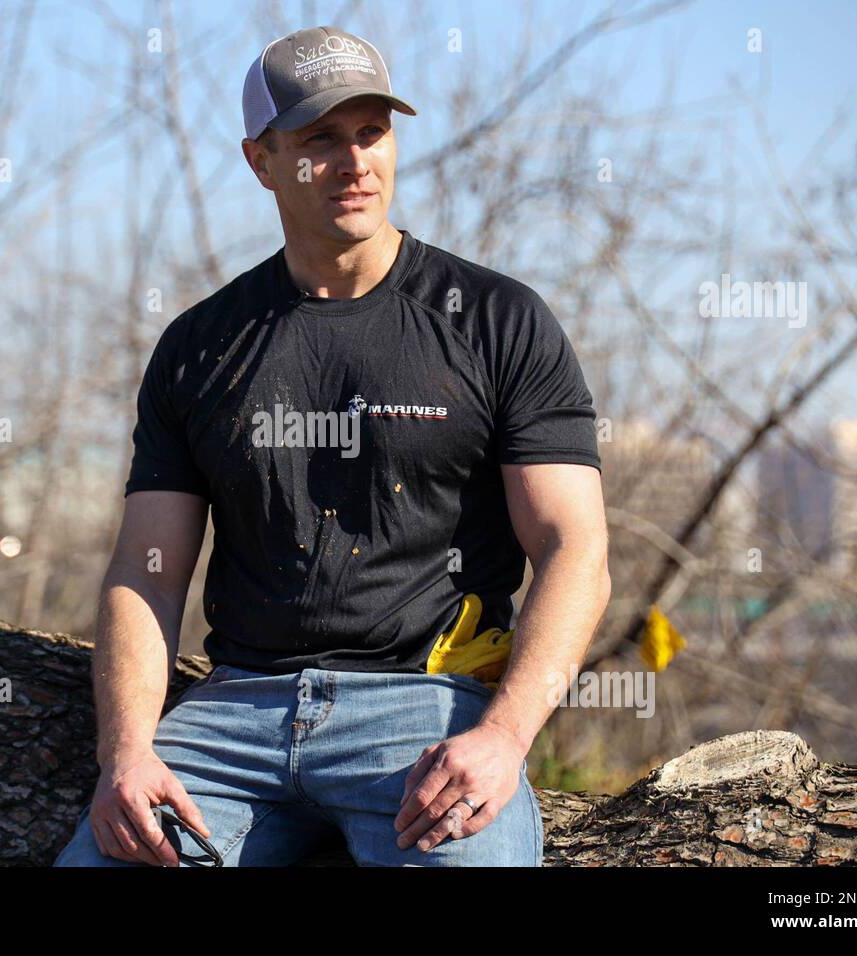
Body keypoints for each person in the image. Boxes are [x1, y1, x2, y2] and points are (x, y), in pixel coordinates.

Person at [54, 24, 610, 867]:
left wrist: (502, 736)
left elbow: (575, 547)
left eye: (371, 132)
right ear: (261, 161)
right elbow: (145, 569)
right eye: (320, 139)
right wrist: (126, 753)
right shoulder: (200, 346)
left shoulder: (497, 321)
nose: (354, 162)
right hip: (233, 717)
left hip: (427, 711)